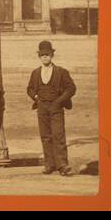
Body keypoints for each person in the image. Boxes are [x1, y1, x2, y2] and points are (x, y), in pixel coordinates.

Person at [27, 40, 77, 176]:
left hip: (56, 107)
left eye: (47, 55)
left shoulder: (61, 72)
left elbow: (71, 88)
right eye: (42, 55)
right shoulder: (35, 73)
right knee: (45, 136)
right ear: (39, 56)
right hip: (42, 107)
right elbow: (30, 89)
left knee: (58, 135)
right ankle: (49, 164)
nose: (45, 57)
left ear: (52, 55)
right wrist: (36, 97)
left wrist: (60, 101)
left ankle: (62, 165)